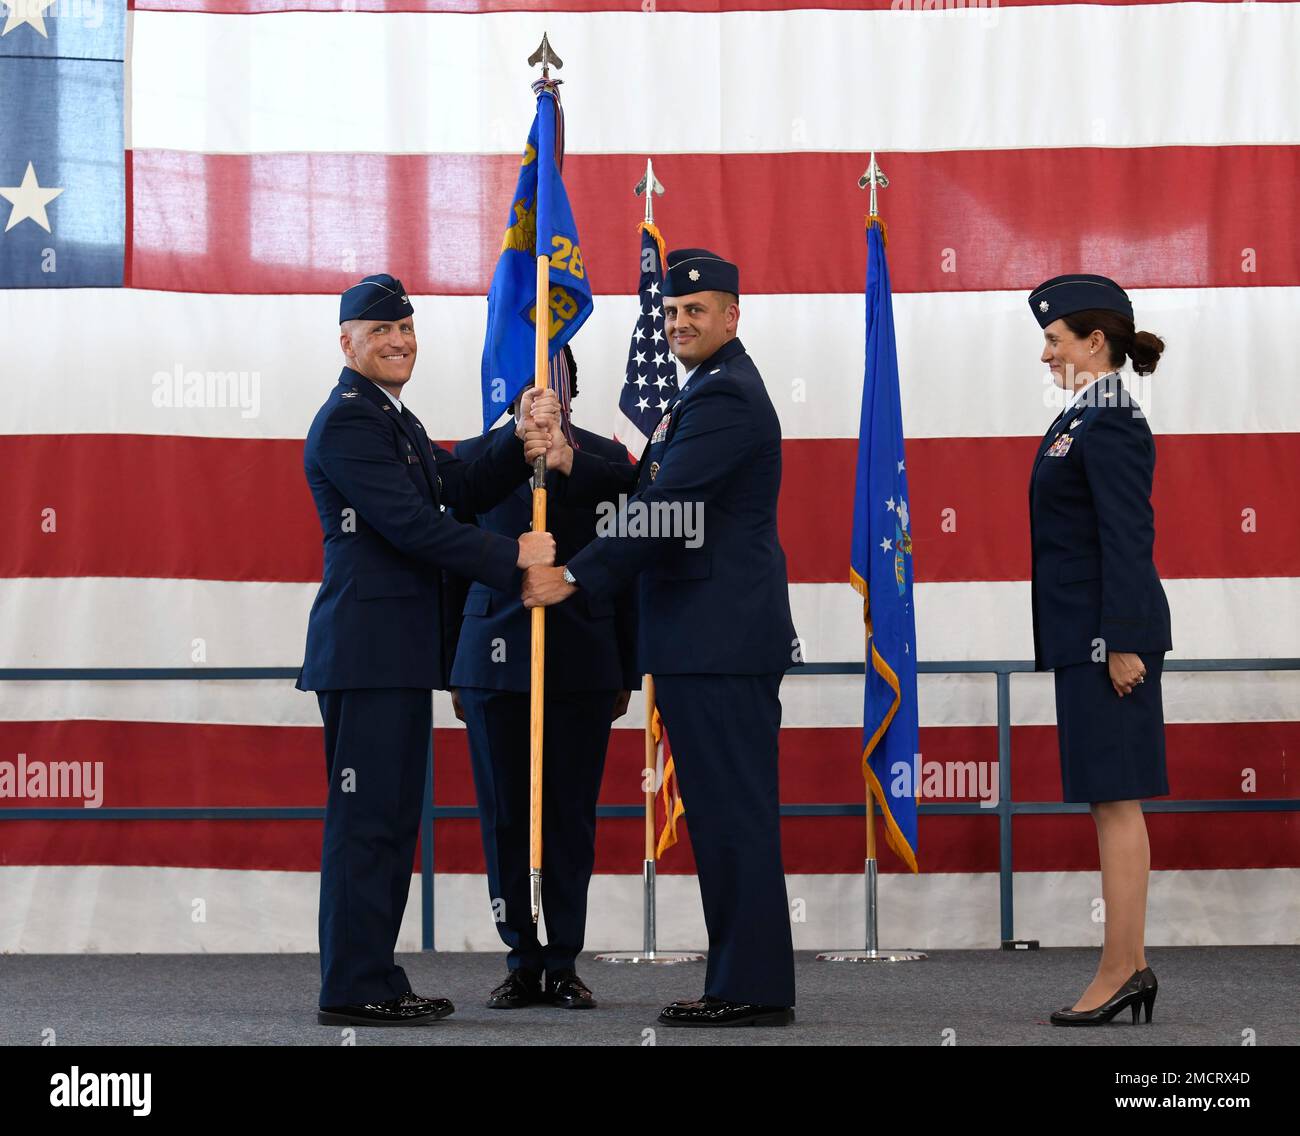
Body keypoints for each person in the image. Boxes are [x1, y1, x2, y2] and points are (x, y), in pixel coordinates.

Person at [523, 249, 798, 1028]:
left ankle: (750, 986)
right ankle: (746, 979)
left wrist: (571, 578)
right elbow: (651, 487)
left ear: (732, 315)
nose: (679, 323)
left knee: (733, 813)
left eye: (696, 311)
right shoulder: (702, 393)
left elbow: (665, 510)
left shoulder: (727, 398)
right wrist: (573, 460)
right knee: (720, 812)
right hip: (698, 640)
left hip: (719, 642)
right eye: (671, 313)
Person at [296, 273, 557, 1027]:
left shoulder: (391, 419)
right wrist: (516, 556)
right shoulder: (350, 422)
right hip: (367, 654)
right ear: (347, 343)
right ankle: (354, 986)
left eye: (406, 328)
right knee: (366, 824)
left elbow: (457, 483)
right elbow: (414, 526)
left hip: (394, 655)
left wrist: (518, 439)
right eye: (380, 331)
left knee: (386, 823)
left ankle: (372, 974)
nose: (399, 341)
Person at [446, 345, 638, 1011]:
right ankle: (521, 959)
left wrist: (628, 668)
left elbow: (634, 553)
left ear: (568, 391)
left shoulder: (609, 461)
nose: (537, 399)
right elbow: (450, 566)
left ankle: (563, 961)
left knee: (569, 817)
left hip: (584, 661)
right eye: (524, 389)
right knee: (505, 816)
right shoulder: (470, 459)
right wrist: (453, 671)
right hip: (492, 665)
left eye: (548, 387)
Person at [1027, 273, 1171, 1026]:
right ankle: (1133, 967)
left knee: (1117, 804)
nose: (1045, 354)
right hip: (1088, 639)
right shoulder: (1082, 416)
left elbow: (1126, 538)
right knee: (1107, 800)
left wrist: (1122, 642)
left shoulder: (1110, 419)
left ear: (1094, 342)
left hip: (1109, 644)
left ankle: (1119, 969)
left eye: (1054, 339)